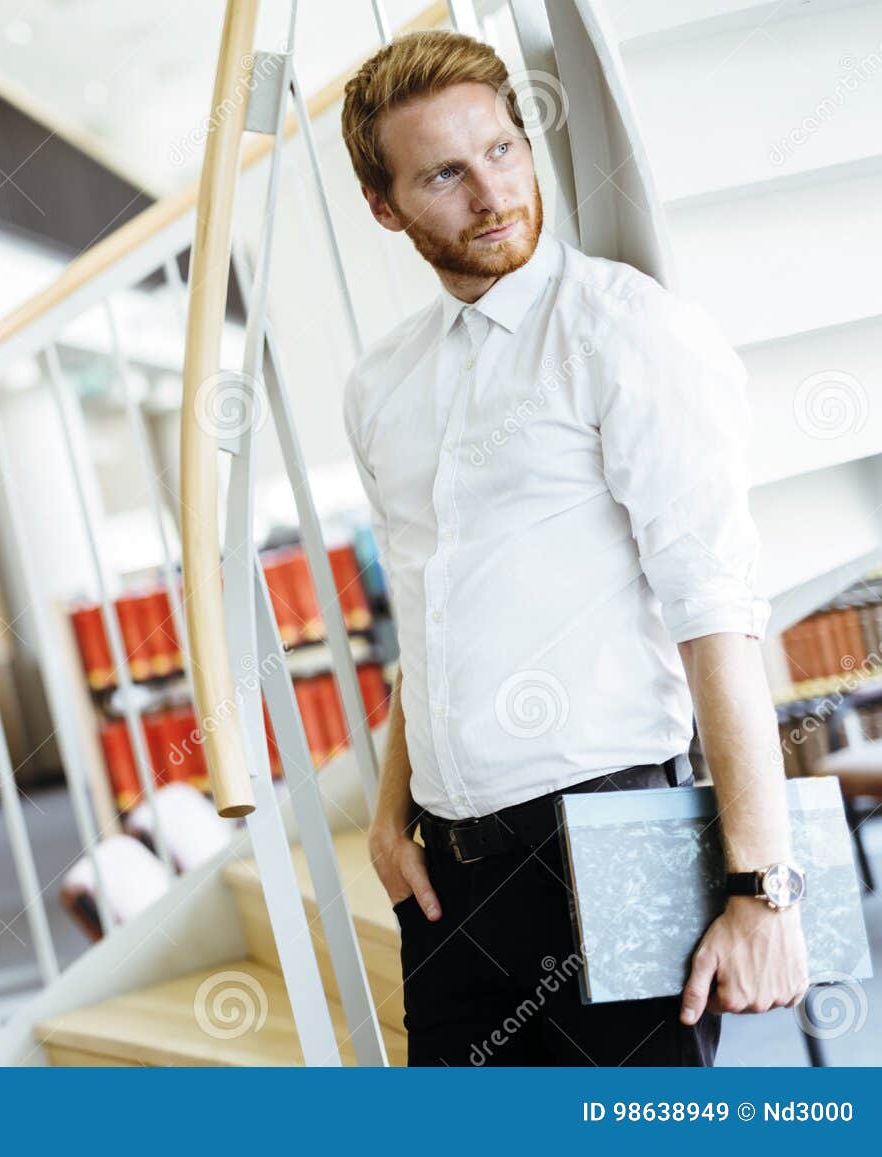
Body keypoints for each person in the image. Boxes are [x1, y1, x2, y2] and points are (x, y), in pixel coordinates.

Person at [338, 30, 808, 1066]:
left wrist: (760, 884)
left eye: (503, 150)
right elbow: (431, 612)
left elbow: (714, 610)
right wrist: (385, 813)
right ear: (385, 206)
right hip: (445, 876)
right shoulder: (381, 387)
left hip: (609, 843)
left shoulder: (624, 332)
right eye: (445, 174)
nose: (492, 191)